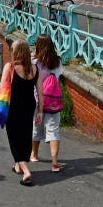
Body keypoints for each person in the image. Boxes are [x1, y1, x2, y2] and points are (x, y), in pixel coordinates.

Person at [0, 39, 43, 186]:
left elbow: (1, 88)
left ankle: (26, 170)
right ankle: (18, 166)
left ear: (15, 52)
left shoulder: (10, 67)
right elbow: (40, 93)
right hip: (29, 105)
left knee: (14, 137)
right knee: (25, 134)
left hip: (13, 106)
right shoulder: (35, 69)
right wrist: (40, 111)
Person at [30, 35, 63, 172]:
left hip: (37, 99)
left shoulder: (33, 61)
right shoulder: (57, 61)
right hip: (53, 100)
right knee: (53, 130)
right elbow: (58, 76)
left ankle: (34, 155)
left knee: (36, 127)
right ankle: (55, 163)